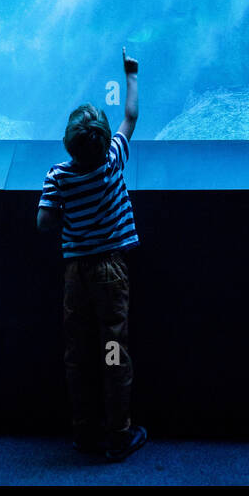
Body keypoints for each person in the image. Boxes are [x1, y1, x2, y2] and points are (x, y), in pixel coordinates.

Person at [37, 46, 146, 462]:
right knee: (113, 349)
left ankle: (83, 433)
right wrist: (131, 74)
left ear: (69, 143)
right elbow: (131, 117)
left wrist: (67, 213)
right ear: (104, 141)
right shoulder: (113, 161)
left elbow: (43, 223)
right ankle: (118, 434)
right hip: (111, 271)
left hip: (76, 273)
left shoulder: (59, 176)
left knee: (77, 352)